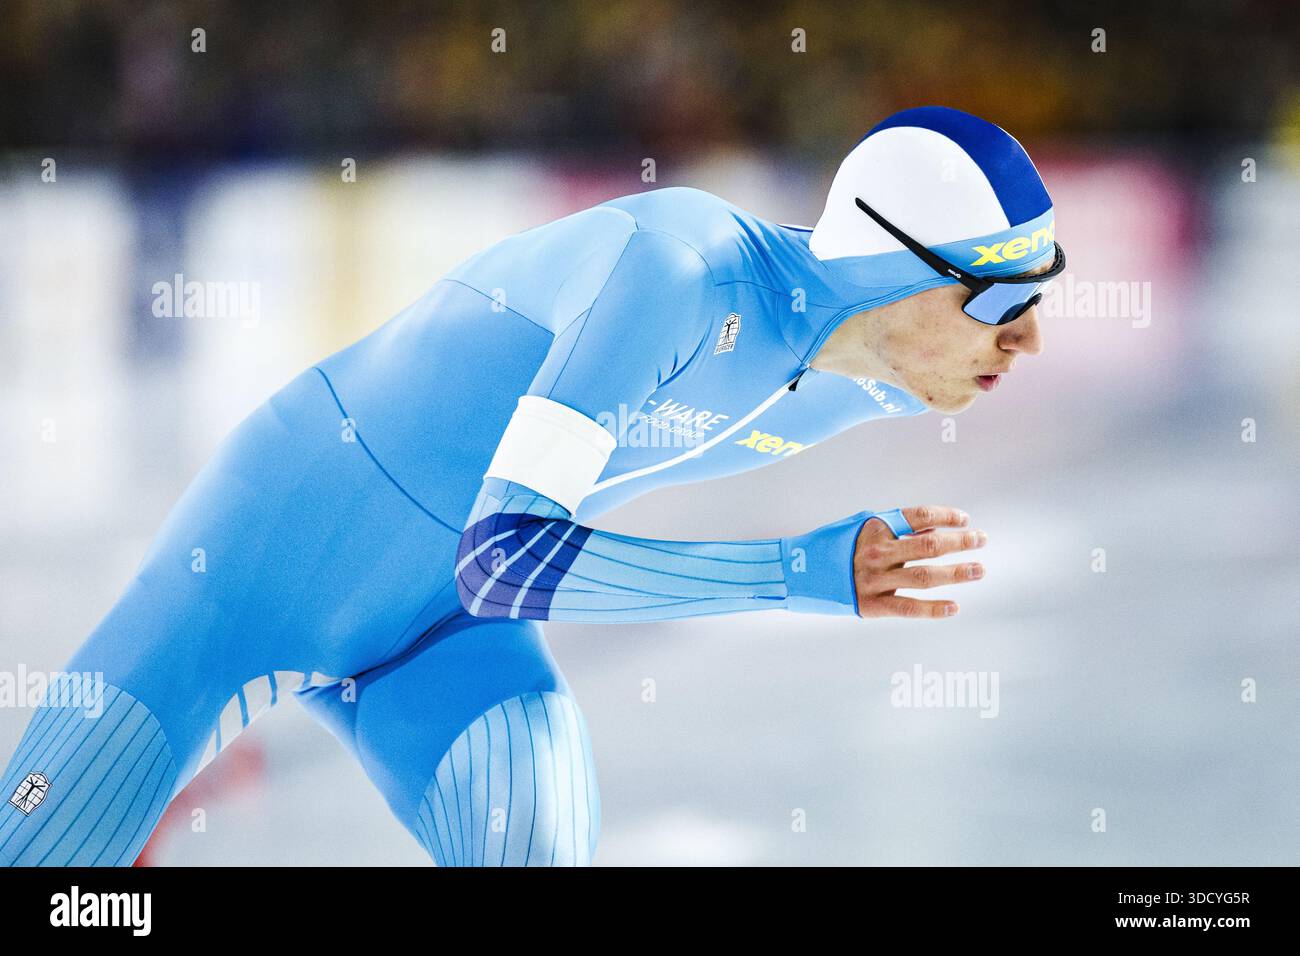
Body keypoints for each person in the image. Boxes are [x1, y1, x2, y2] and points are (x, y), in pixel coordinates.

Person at [0, 105, 1063, 867]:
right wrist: (796, 572)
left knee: (535, 845)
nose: (1027, 337)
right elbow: (504, 552)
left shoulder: (878, 386)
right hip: (268, 559)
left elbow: (484, 577)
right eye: (1003, 294)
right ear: (896, 269)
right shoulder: (679, 275)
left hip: (446, 634)